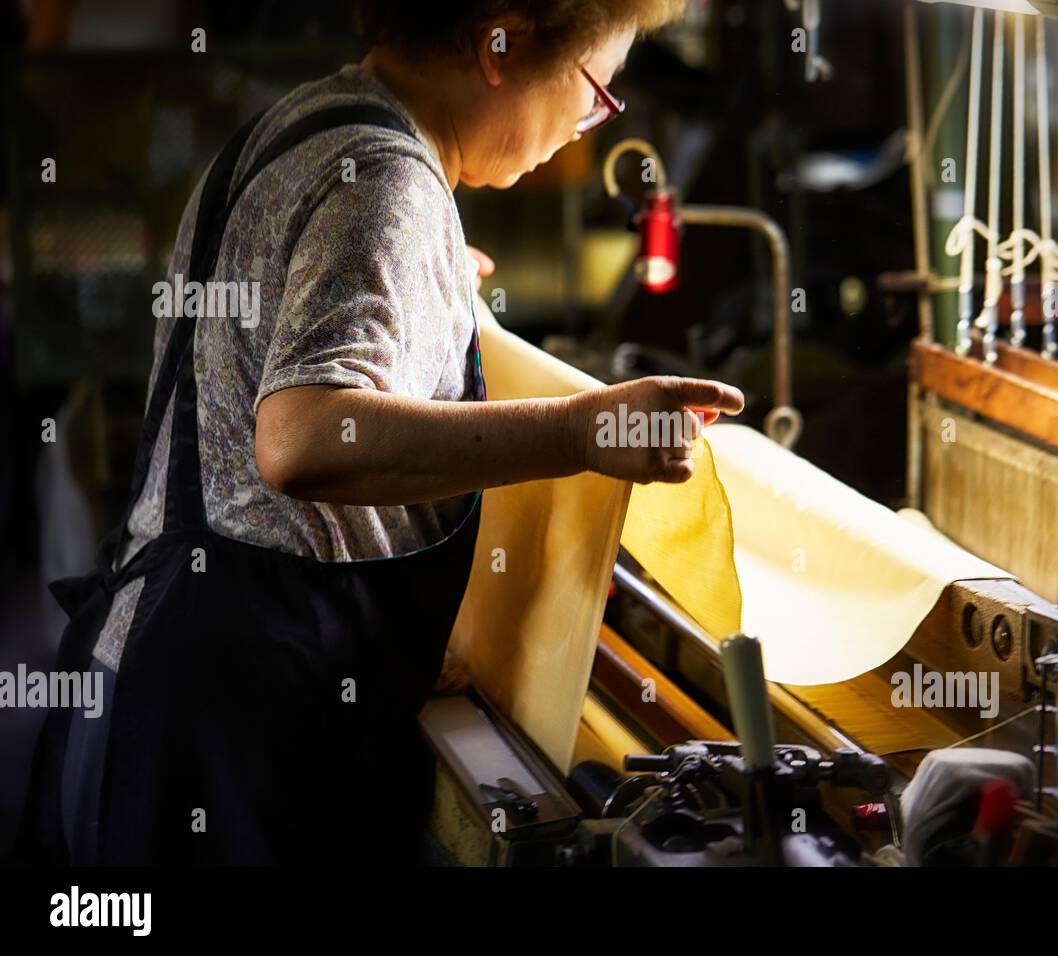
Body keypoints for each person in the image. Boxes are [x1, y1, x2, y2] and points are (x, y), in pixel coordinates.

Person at [24, 0, 742, 865]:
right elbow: (305, 440)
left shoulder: (299, 125)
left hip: (154, 675)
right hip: (234, 728)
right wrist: (589, 429)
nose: (586, 127)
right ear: (497, 47)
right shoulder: (387, 180)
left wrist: (425, 289)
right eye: (595, 91)